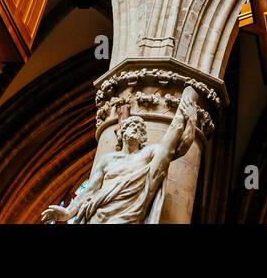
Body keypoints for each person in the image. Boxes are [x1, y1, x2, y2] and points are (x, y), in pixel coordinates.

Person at [42, 88, 199, 224]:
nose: (135, 129)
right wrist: (68, 213)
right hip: (98, 213)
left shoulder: (149, 154)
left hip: (126, 216)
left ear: (143, 138)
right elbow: (90, 191)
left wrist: (190, 120)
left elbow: (173, 147)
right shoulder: (107, 160)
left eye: (139, 129)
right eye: (131, 126)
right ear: (121, 133)